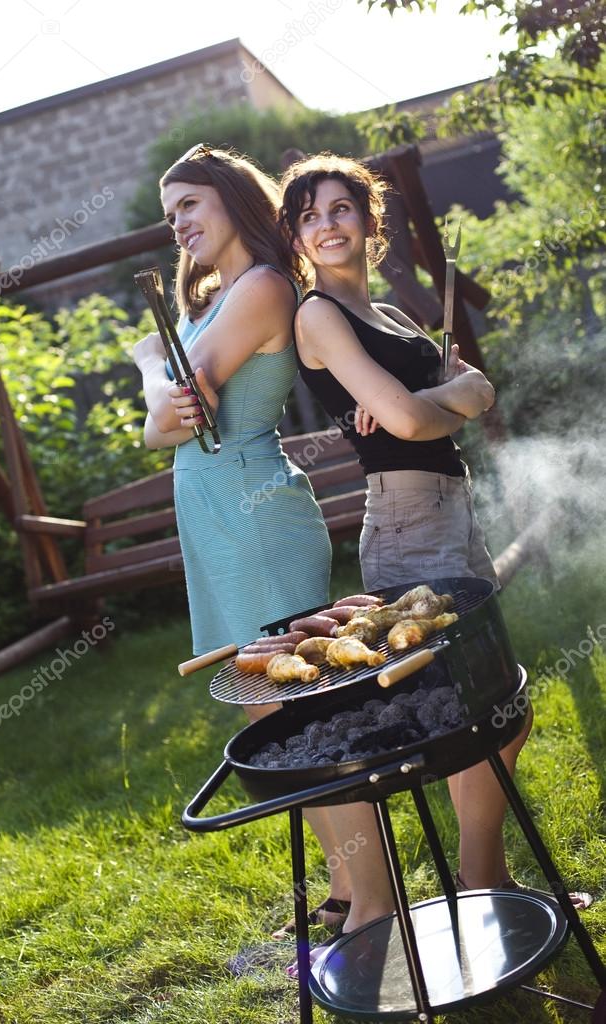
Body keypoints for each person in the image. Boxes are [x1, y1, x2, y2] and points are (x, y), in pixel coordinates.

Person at [278, 152, 590, 973]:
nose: (327, 224)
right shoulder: (317, 317)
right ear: (299, 236)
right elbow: (408, 424)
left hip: (454, 516)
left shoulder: (387, 313)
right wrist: (437, 403)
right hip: (409, 527)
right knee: (482, 716)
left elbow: (473, 391)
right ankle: (483, 887)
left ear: (368, 223)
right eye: (309, 215)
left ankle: (487, 881)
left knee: (494, 712)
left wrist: (435, 401)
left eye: (341, 208)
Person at [132, 145, 353, 935]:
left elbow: (176, 408)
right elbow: (163, 426)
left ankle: (374, 897)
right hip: (218, 514)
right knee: (266, 712)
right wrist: (160, 386)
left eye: (189, 204)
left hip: (256, 515)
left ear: (229, 197)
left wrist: (154, 372)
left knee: (297, 707)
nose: (179, 224)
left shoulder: (260, 286)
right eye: (170, 215)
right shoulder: (220, 296)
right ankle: (347, 891)